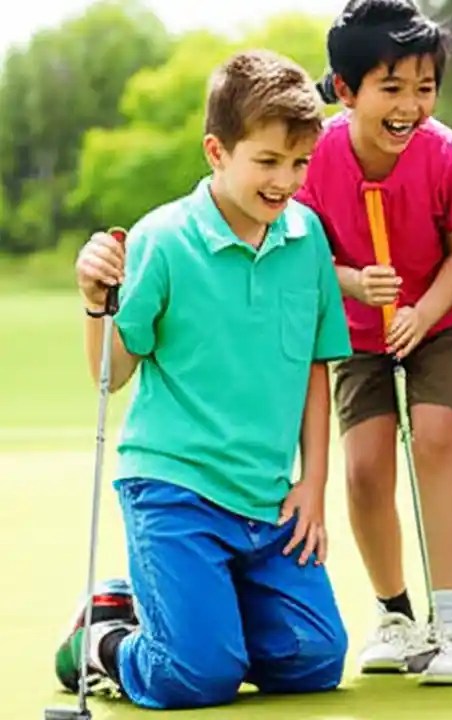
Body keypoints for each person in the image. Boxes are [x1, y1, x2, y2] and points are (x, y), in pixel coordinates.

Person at [56, 50, 351, 710]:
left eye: (299, 163)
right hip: (174, 490)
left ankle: (193, 615)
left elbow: (314, 365)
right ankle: (103, 639)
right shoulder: (162, 239)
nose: (285, 181)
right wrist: (94, 303)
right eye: (268, 161)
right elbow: (112, 373)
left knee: (314, 658)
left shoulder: (307, 237)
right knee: (198, 676)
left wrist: (314, 483)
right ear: (217, 151)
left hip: (269, 500)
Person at [298, 0, 452, 684]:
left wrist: (422, 314)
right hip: (356, 325)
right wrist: (351, 280)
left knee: (434, 437)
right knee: (366, 467)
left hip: (442, 313)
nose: (411, 106)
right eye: (392, 88)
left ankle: (449, 625)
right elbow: (307, 258)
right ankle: (396, 616)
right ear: (346, 90)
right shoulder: (317, 157)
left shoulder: (449, 155)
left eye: (424, 88)